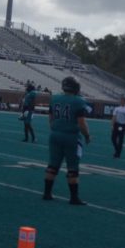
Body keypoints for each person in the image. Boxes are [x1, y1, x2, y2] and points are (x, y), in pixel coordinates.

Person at [43, 76, 92, 204]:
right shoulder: (78, 101)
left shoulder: (55, 98)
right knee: (73, 167)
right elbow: (81, 123)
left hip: (55, 134)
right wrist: (87, 135)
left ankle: (47, 193)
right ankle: (74, 197)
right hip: (71, 136)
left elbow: (50, 118)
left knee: (53, 164)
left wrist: (55, 129)